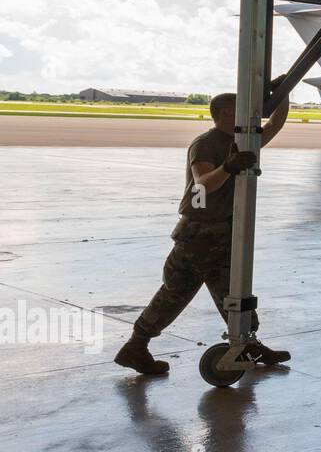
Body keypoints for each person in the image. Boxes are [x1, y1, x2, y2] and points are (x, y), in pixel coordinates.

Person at [114, 77, 291, 375]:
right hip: (200, 233)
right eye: (240, 107)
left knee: (234, 294)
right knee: (174, 295)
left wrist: (283, 93)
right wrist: (229, 167)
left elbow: (274, 125)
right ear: (224, 113)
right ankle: (136, 346)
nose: (249, 112)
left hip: (223, 233)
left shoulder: (242, 139)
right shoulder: (206, 143)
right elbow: (202, 184)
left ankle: (247, 344)